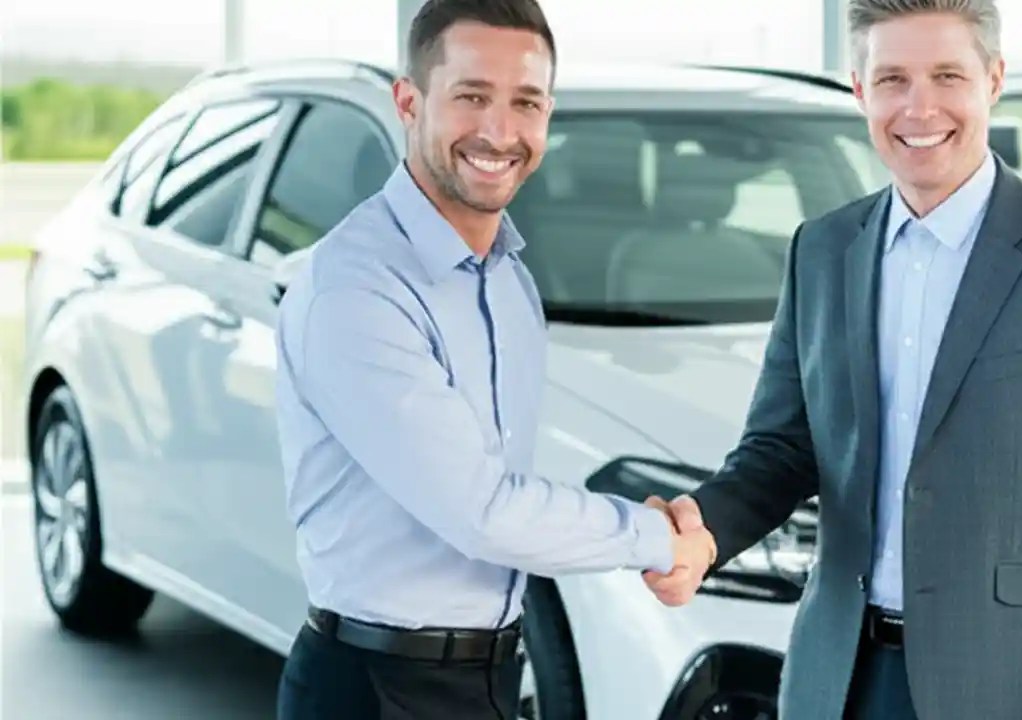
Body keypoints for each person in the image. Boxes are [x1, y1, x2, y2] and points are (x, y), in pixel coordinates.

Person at [643, 1, 1022, 719]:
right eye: (892, 79)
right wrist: (703, 532)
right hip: (839, 682)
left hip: (1011, 692)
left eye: (946, 75)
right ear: (859, 90)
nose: (919, 108)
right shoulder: (823, 251)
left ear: (993, 79)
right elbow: (782, 449)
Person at [272, 1, 714, 717]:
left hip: (486, 676)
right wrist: (655, 537)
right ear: (409, 103)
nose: (499, 132)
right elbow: (478, 508)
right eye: (472, 96)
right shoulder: (356, 289)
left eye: (526, 102)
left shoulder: (507, 276)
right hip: (375, 687)